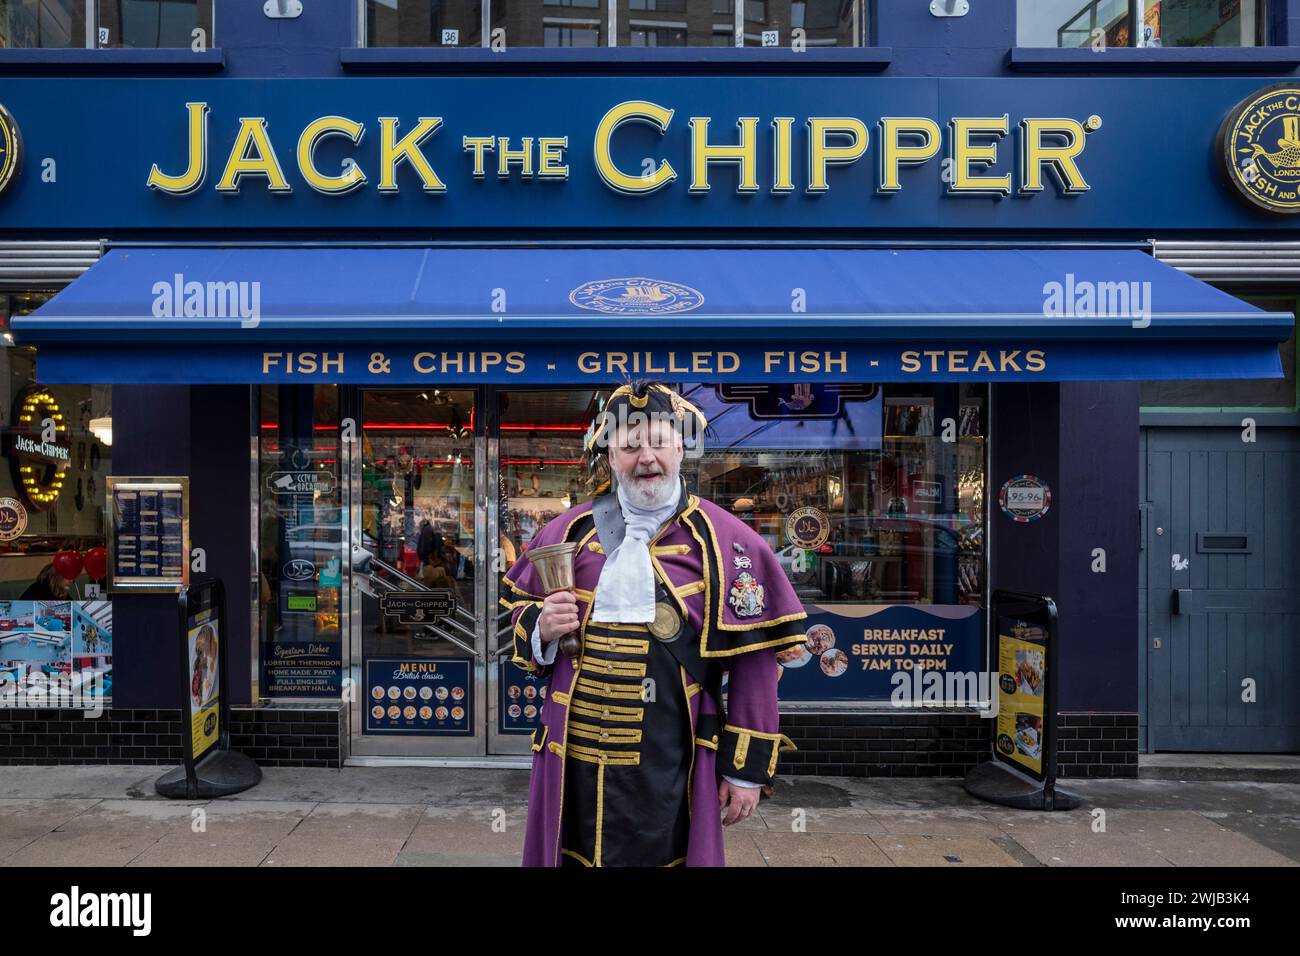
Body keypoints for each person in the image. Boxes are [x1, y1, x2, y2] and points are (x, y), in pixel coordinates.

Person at [501, 381, 807, 867]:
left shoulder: (731, 543)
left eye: (659, 441)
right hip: (574, 757)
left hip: (672, 758)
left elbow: (755, 664)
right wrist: (540, 628)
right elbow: (515, 620)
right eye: (629, 445)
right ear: (610, 455)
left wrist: (745, 771)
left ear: (680, 447)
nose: (646, 457)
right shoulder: (567, 533)